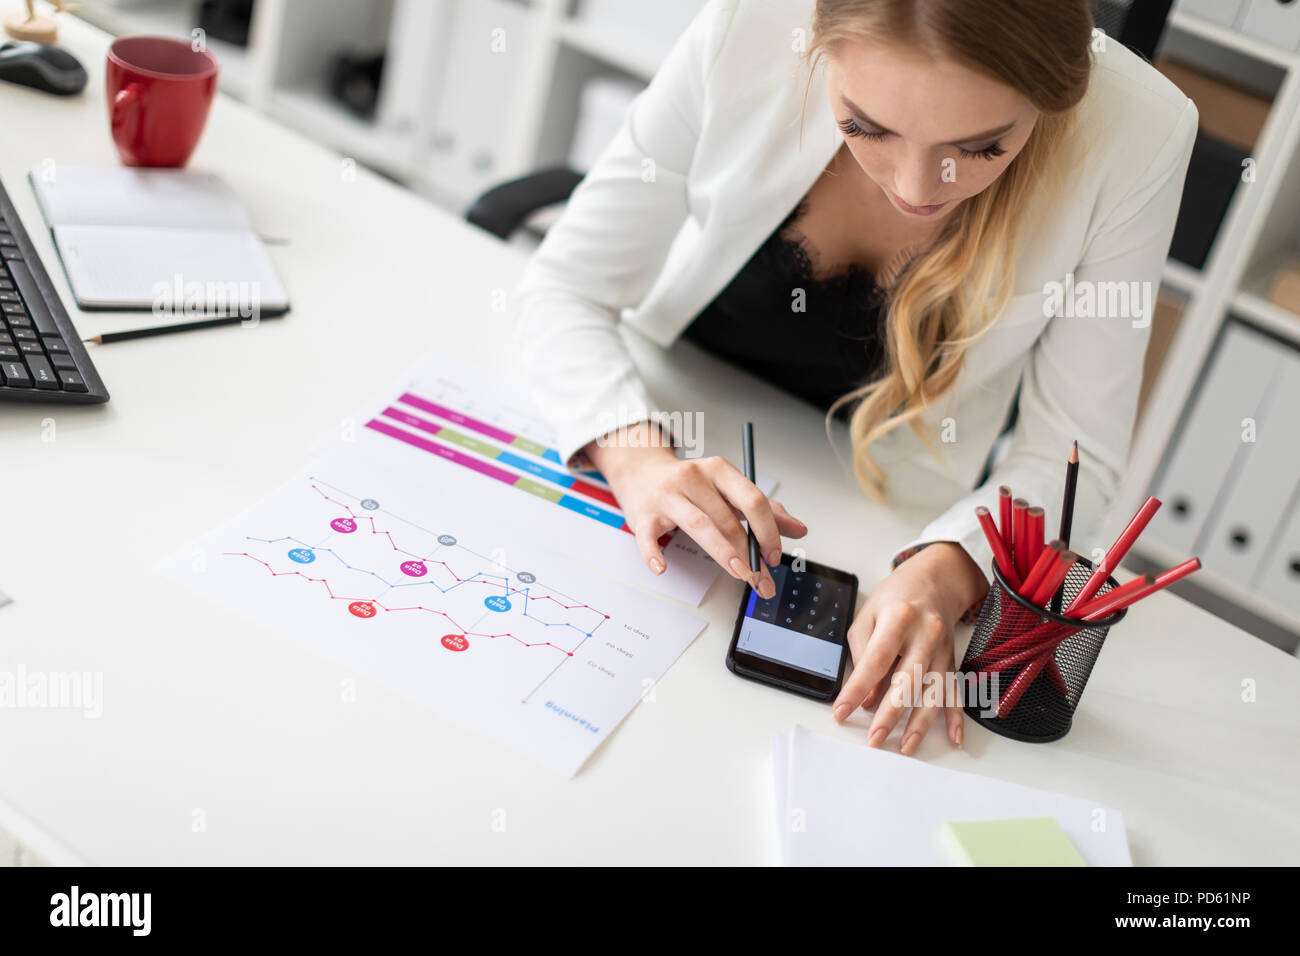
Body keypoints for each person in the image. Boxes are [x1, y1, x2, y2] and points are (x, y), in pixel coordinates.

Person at [512, 0, 1196, 755]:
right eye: (866, 127)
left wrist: (950, 569)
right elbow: (566, 286)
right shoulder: (753, 23)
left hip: (889, 516)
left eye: (981, 147)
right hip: (678, 416)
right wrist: (636, 455)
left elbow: (1075, 461)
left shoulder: (1138, 131)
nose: (916, 187)